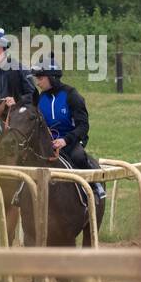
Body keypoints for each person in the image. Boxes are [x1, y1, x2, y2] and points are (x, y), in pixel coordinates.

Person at [31, 55, 104, 200]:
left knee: (78, 156)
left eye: (40, 78)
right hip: (47, 143)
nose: (37, 82)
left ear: (51, 77)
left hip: (70, 141)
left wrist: (65, 140)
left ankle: (95, 186)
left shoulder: (71, 95)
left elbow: (83, 126)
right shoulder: (40, 99)